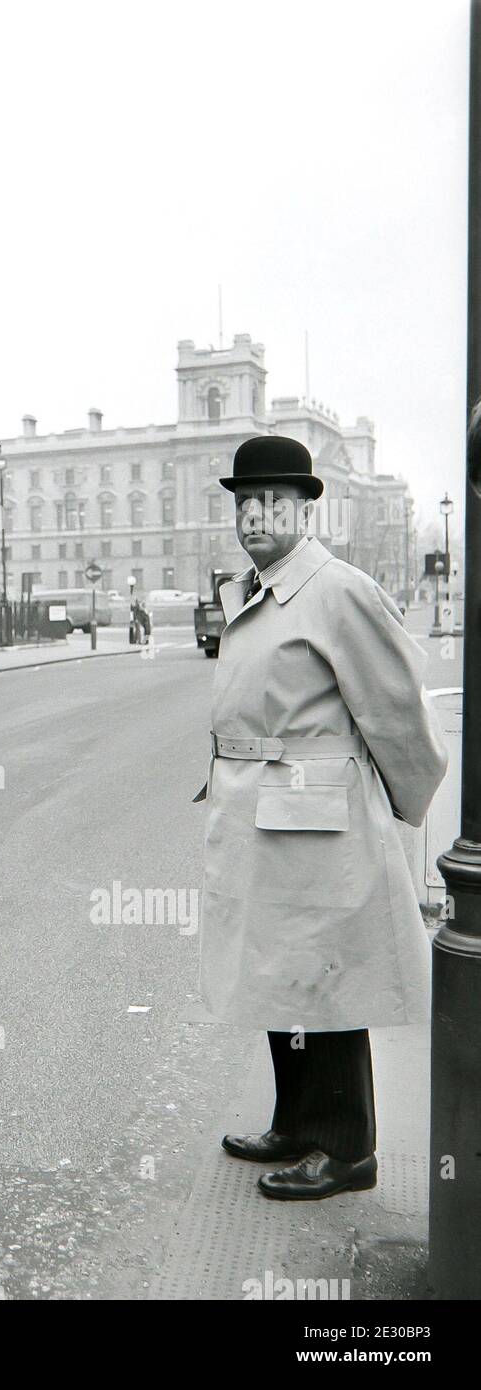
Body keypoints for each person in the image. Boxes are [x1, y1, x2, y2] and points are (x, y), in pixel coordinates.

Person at [194, 435, 447, 1201]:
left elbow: (397, 712)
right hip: (262, 818)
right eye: (245, 502)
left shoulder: (336, 590)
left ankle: (346, 1150)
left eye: (273, 501)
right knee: (280, 979)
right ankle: (296, 1122)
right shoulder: (256, 588)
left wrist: (401, 811)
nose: (256, 515)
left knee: (326, 984)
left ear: (307, 509)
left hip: (317, 824)